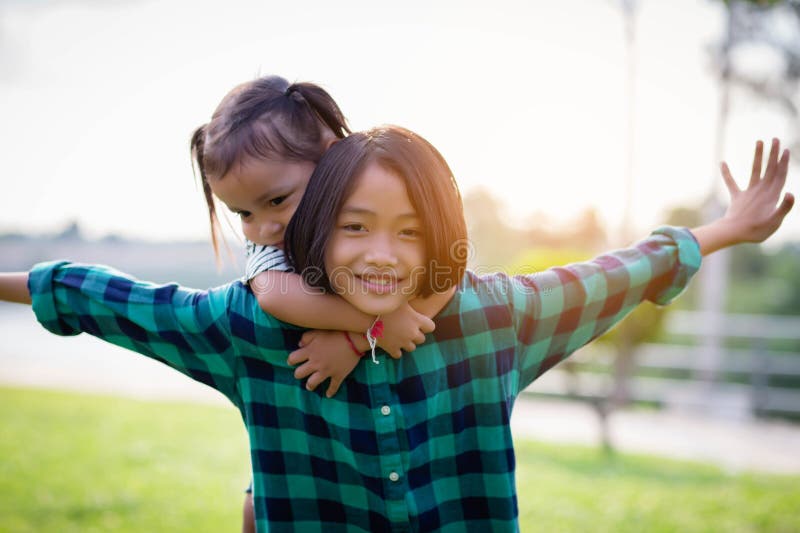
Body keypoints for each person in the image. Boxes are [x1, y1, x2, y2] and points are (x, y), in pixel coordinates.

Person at [0, 127, 792, 531]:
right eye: (354, 226)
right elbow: (108, 296)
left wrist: (724, 230)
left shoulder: (495, 317)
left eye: (411, 232)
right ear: (313, 223)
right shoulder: (247, 326)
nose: (382, 255)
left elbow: (621, 270)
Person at [189, 75, 445, 532]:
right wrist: (373, 328)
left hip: (399, 411)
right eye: (243, 214)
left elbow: (445, 274)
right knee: (257, 509)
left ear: (329, 159)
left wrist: (353, 342)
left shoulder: (378, 195)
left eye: (276, 200)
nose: (263, 225)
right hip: (306, 419)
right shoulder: (273, 248)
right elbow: (275, 296)